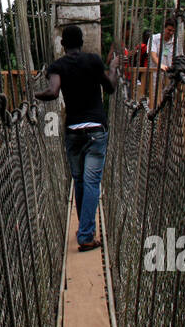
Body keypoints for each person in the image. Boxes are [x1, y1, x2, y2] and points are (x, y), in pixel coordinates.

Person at [35, 24, 121, 252]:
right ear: (81, 43)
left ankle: (84, 230)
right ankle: (85, 234)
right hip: (95, 130)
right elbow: (110, 88)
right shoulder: (93, 60)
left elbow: (52, 92)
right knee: (92, 182)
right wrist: (112, 68)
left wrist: (32, 95)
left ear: (63, 45)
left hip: (73, 131)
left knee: (81, 182)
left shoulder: (57, 66)